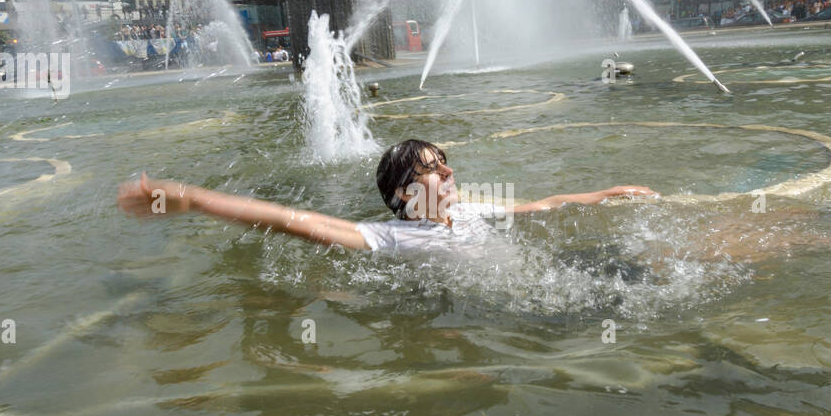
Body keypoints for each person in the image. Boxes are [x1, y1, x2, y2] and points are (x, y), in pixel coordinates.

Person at [117, 139, 656, 253]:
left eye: (445, 161)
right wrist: (190, 197)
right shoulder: (390, 237)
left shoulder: (469, 210)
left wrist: (608, 193)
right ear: (403, 193)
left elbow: (544, 206)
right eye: (431, 167)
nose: (448, 170)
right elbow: (289, 219)